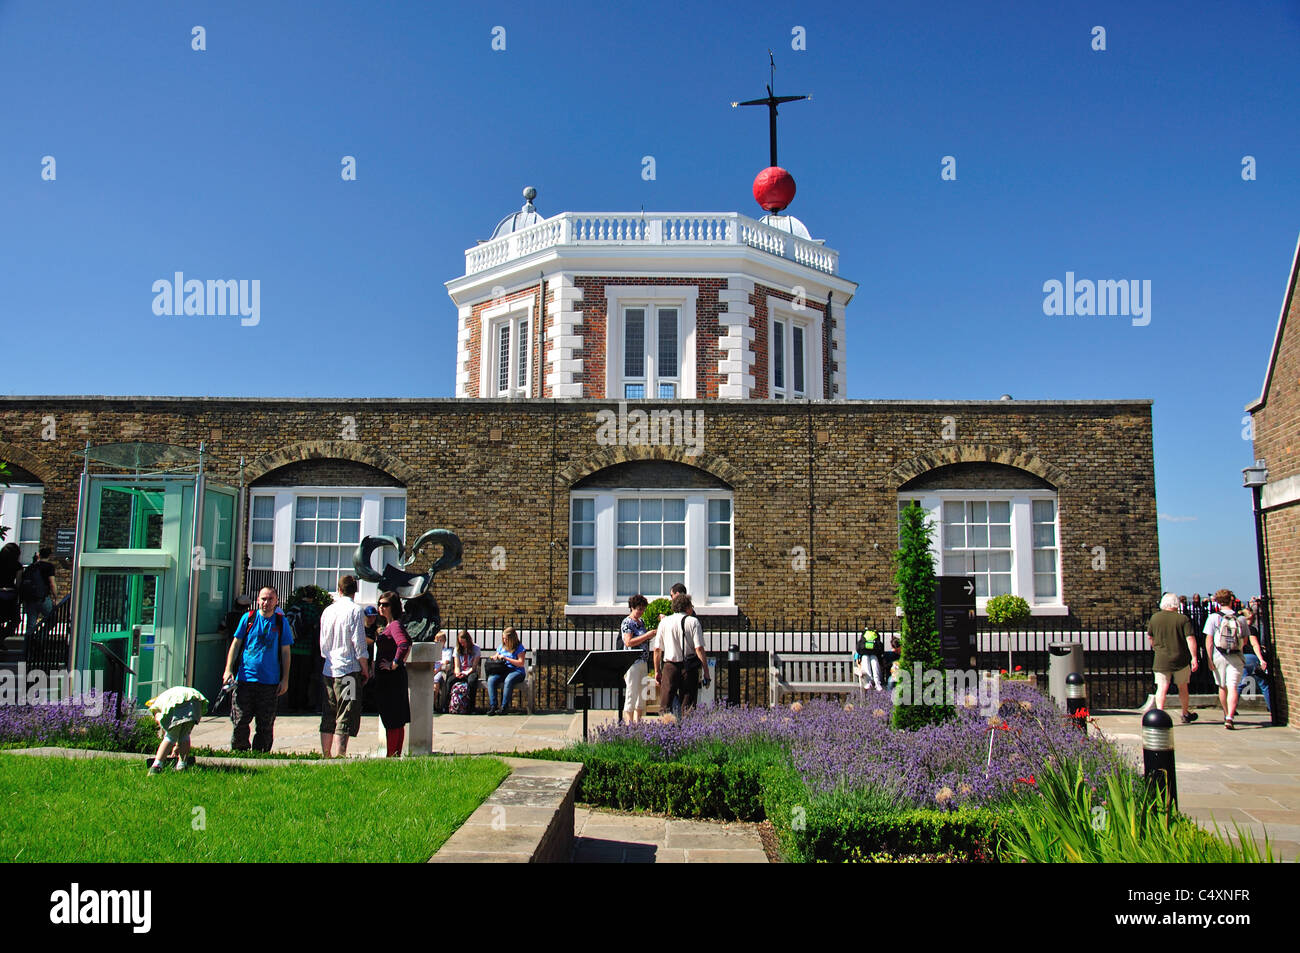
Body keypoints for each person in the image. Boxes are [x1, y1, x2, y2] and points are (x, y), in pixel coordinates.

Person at [222, 586, 294, 752]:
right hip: (245, 679)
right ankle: (240, 752)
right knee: (240, 721)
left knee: (265, 724)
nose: (266, 603)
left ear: (276, 601)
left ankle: (261, 755)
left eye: (270, 599)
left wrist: (285, 679)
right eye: (263, 599)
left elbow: (285, 652)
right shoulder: (248, 618)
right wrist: (228, 669)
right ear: (257, 600)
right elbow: (236, 643)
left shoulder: (280, 622)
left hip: (270, 682)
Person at [318, 574, 371, 758]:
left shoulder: (327, 611)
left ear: (339, 590)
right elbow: (359, 643)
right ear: (354, 592)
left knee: (329, 712)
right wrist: (365, 667)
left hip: (329, 669)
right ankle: (340, 754)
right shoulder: (356, 611)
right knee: (345, 713)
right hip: (348, 670)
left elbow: (323, 645)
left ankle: (326, 754)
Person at [1203, 588, 1262, 730]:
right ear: (1231, 600)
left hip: (1219, 656)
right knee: (1233, 687)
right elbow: (1245, 641)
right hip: (1236, 656)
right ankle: (1230, 716)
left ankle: (1225, 713)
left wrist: (1209, 659)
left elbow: (1209, 640)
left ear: (1217, 602)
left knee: (1222, 687)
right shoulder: (1241, 618)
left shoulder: (1213, 618)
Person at [1146, 592, 1199, 724]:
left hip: (1161, 658)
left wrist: (1156, 648)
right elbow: (1190, 638)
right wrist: (1194, 657)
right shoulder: (1183, 619)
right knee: (1183, 687)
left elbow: (1150, 637)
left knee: (1162, 687)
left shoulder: (1155, 618)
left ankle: (1160, 713)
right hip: (1181, 659)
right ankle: (1185, 713)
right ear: (1176, 604)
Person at [653, 592, 707, 719]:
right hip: (689, 667)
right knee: (688, 705)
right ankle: (687, 733)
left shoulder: (664, 622)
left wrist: (657, 671)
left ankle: (665, 731)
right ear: (687, 607)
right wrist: (706, 671)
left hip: (670, 666)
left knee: (665, 705)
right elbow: (699, 648)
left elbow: (657, 649)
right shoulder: (693, 622)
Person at [373, 591, 412, 756]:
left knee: (393, 719)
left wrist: (394, 664)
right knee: (396, 718)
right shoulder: (390, 625)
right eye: (380, 604)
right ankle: (394, 754)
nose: (381, 607)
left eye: (385, 604)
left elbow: (403, 644)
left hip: (391, 679)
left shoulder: (395, 625)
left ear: (393, 607)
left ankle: (392, 755)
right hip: (391, 679)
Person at [145, 686, 207, 774]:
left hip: (178, 702)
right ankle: (182, 765)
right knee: (185, 735)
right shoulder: (166, 696)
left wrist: (172, 743)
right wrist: (177, 746)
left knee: (170, 736)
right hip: (195, 700)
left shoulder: (156, 707)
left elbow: (163, 726)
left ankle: (156, 766)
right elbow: (186, 729)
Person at [620, 595, 657, 723]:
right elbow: (628, 642)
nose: (641, 611)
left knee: (642, 693)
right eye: (639, 609)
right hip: (632, 662)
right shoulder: (627, 622)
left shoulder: (642, 622)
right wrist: (646, 636)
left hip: (643, 661)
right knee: (632, 692)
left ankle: (638, 723)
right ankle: (629, 724)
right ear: (632, 608)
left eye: (643, 609)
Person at [486, 626, 527, 715]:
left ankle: (504, 707)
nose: (504, 641)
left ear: (512, 638)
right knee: (491, 680)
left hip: (516, 671)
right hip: (503, 670)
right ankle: (493, 706)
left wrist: (506, 658)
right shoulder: (502, 647)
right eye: (503, 639)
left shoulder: (519, 648)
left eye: (506, 639)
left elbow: (521, 663)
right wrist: (495, 657)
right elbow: (496, 655)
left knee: (508, 680)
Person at [1237, 606, 1271, 714]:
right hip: (1251, 658)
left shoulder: (1237, 628)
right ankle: (1272, 708)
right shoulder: (1250, 629)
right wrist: (1261, 660)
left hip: (1240, 657)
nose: (1252, 620)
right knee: (1263, 684)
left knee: (1240, 684)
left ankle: (1230, 710)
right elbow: (1255, 645)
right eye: (1251, 618)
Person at [19, 547, 58, 634]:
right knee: (52, 619)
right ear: (49, 556)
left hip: (30, 598)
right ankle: (40, 637)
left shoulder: (31, 567)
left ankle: (29, 644)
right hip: (43, 598)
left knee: (31, 624)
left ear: (39, 555)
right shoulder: (49, 567)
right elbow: (52, 583)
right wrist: (56, 597)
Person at [450, 630, 481, 714]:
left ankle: (471, 707)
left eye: (464, 643)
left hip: (470, 671)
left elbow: (474, 667)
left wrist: (466, 673)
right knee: (450, 681)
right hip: (461, 671)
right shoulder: (457, 649)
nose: (462, 645)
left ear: (468, 641)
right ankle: (448, 706)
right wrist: (458, 673)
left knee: (472, 681)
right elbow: (457, 665)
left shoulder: (476, 648)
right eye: (460, 643)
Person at [854, 626, 885, 692]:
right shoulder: (861, 654)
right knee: (865, 657)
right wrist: (859, 665)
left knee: (873, 658)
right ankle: (869, 681)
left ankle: (877, 682)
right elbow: (857, 661)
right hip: (863, 673)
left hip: (875, 668)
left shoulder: (872, 653)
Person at [0, 543, 21, 641]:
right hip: (10, 594)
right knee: (15, 620)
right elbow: (18, 582)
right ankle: (1, 637)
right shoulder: (17, 565)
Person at [431, 630, 454, 713]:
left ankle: (432, 705)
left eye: (441, 640)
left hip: (440, 671)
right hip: (431, 670)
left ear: (445, 641)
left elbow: (445, 662)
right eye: (437, 640)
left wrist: (436, 670)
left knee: (436, 681)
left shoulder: (447, 651)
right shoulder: (432, 651)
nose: (439, 642)